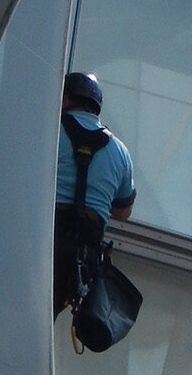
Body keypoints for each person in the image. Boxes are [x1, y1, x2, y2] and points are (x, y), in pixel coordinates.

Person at [53, 72, 136, 317]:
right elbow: (123, 211)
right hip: (80, 261)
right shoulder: (120, 152)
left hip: (41, 243)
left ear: (66, 99)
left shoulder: (50, 131)